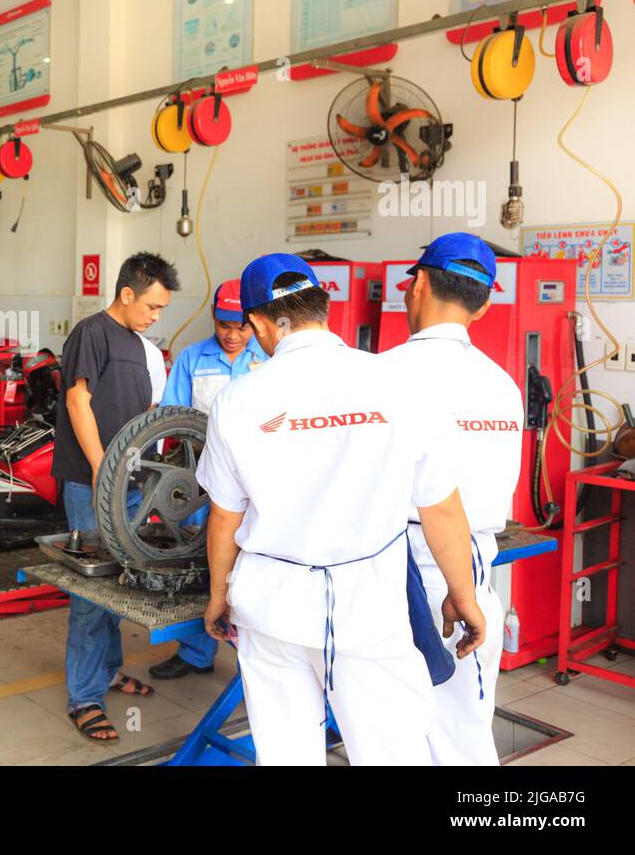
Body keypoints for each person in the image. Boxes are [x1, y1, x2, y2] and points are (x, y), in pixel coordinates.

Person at [197, 253, 486, 765]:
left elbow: (225, 515)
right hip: (369, 612)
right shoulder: (396, 383)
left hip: (272, 609)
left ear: (261, 323)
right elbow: (440, 507)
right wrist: (462, 594)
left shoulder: (238, 400)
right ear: (322, 309)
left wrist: (219, 595)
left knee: (286, 754)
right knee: (392, 753)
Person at [384, 233, 522, 765]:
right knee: (465, 728)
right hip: (476, 577)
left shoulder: (383, 375)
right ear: (485, 304)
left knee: (396, 733)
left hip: (400, 576)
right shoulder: (502, 385)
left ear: (416, 285)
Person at [52, 251, 180, 741]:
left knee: (116, 585)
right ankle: (84, 697)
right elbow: (77, 400)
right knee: (91, 592)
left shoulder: (137, 343)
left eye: (161, 309)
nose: (155, 316)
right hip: (92, 484)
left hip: (129, 484)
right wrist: (104, 464)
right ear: (127, 294)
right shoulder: (92, 332)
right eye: (151, 306)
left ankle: (106, 669)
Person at [150, 279, 268, 681]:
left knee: (252, 563)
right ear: (213, 319)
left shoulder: (269, 360)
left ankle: (254, 660)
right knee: (202, 562)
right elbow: (169, 417)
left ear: (255, 322)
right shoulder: (191, 358)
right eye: (224, 325)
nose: (232, 336)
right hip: (202, 480)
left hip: (258, 482)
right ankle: (196, 652)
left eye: (241, 327)